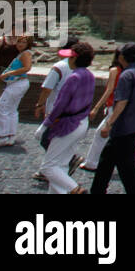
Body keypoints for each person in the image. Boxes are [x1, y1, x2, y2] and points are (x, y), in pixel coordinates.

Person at [90, 43, 135, 194]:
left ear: (122, 57)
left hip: (123, 126)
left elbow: (122, 102)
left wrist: (108, 124)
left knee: (126, 166)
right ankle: (97, 190)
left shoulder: (126, 75)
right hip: (134, 123)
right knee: (107, 160)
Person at [39, 40, 95, 193]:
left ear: (75, 59)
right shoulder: (90, 76)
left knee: (48, 166)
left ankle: (76, 189)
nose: (68, 60)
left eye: (70, 57)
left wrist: (47, 123)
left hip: (67, 124)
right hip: (82, 123)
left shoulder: (73, 78)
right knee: (61, 164)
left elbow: (60, 105)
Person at [80, 47, 122, 173]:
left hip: (112, 106)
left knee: (100, 134)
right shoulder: (129, 71)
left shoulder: (114, 70)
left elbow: (109, 90)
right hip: (120, 106)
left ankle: (92, 163)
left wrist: (96, 108)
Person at [0, 34, 32, 148]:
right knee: (11, 109)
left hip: (17, 84)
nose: (20, 44)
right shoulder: (23, 53)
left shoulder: (25, 54)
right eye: (19, 42)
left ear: (28, 44)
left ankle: (2, 137)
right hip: (19, 83)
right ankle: (10, 136)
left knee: (1, 108)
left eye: (23, 42)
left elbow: (27, 68)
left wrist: (8, 74)